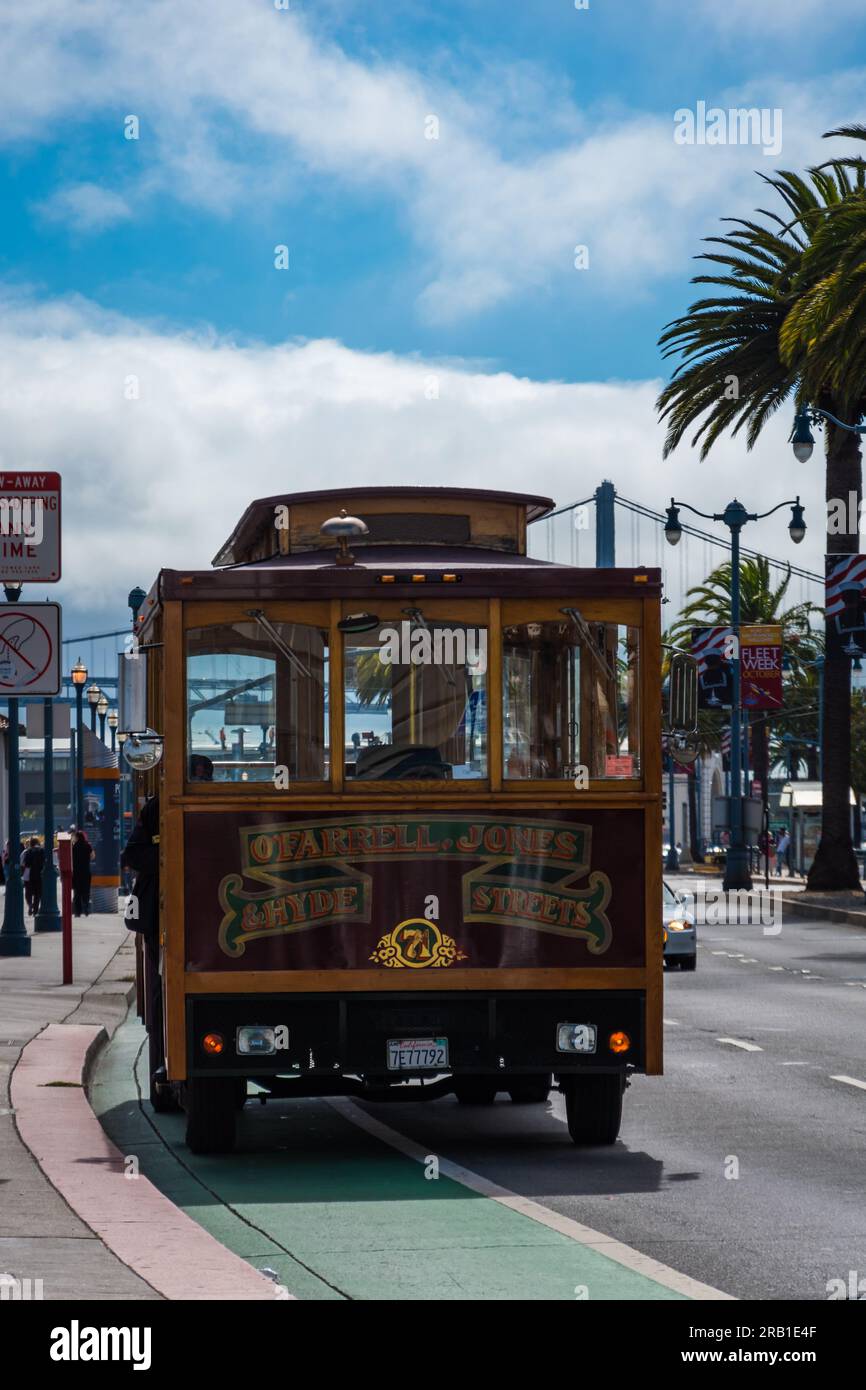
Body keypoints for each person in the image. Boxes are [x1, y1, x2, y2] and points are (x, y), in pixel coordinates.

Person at [122, 796, 164, 1095]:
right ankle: (165, 1057)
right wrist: (170, 853)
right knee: (162, 989)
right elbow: (133, 854)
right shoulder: (156, 807)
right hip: (163, 920)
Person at [71, 829, 95, 916]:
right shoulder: (88, 845)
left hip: (76, 872)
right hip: (86, 871)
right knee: (86, 890)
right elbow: (92, 856)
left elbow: (71, 858)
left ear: (77, 837)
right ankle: (86, 907)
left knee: (77, 891)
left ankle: (78, 911)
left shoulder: (74, 846)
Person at [22, 837, 45, 917]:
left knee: (29, 892)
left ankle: (30, 905)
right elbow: (45, 861)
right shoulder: (42, 850)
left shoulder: (28, 851)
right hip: (39, 874)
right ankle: (35, 910)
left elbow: (26, 863)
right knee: (37, 894)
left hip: (30, 874)